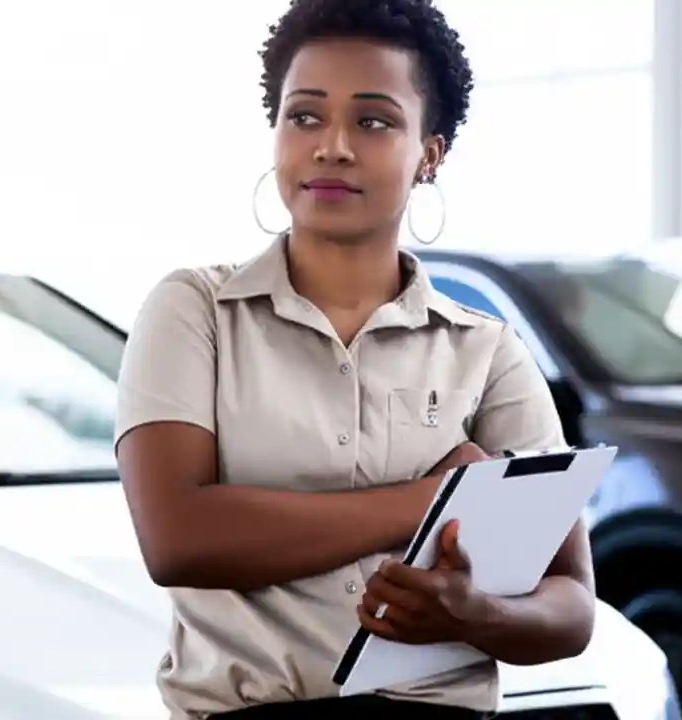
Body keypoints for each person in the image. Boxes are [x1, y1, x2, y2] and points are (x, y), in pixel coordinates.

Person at [113, 1, 597, 718]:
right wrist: (431, 500)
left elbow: (572, 607)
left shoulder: (485, 351)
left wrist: (473, 616)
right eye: (304, 116)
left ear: (429, 152)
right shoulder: (194, 311)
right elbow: (179, 538)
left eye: (374, 121)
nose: (331, 146)